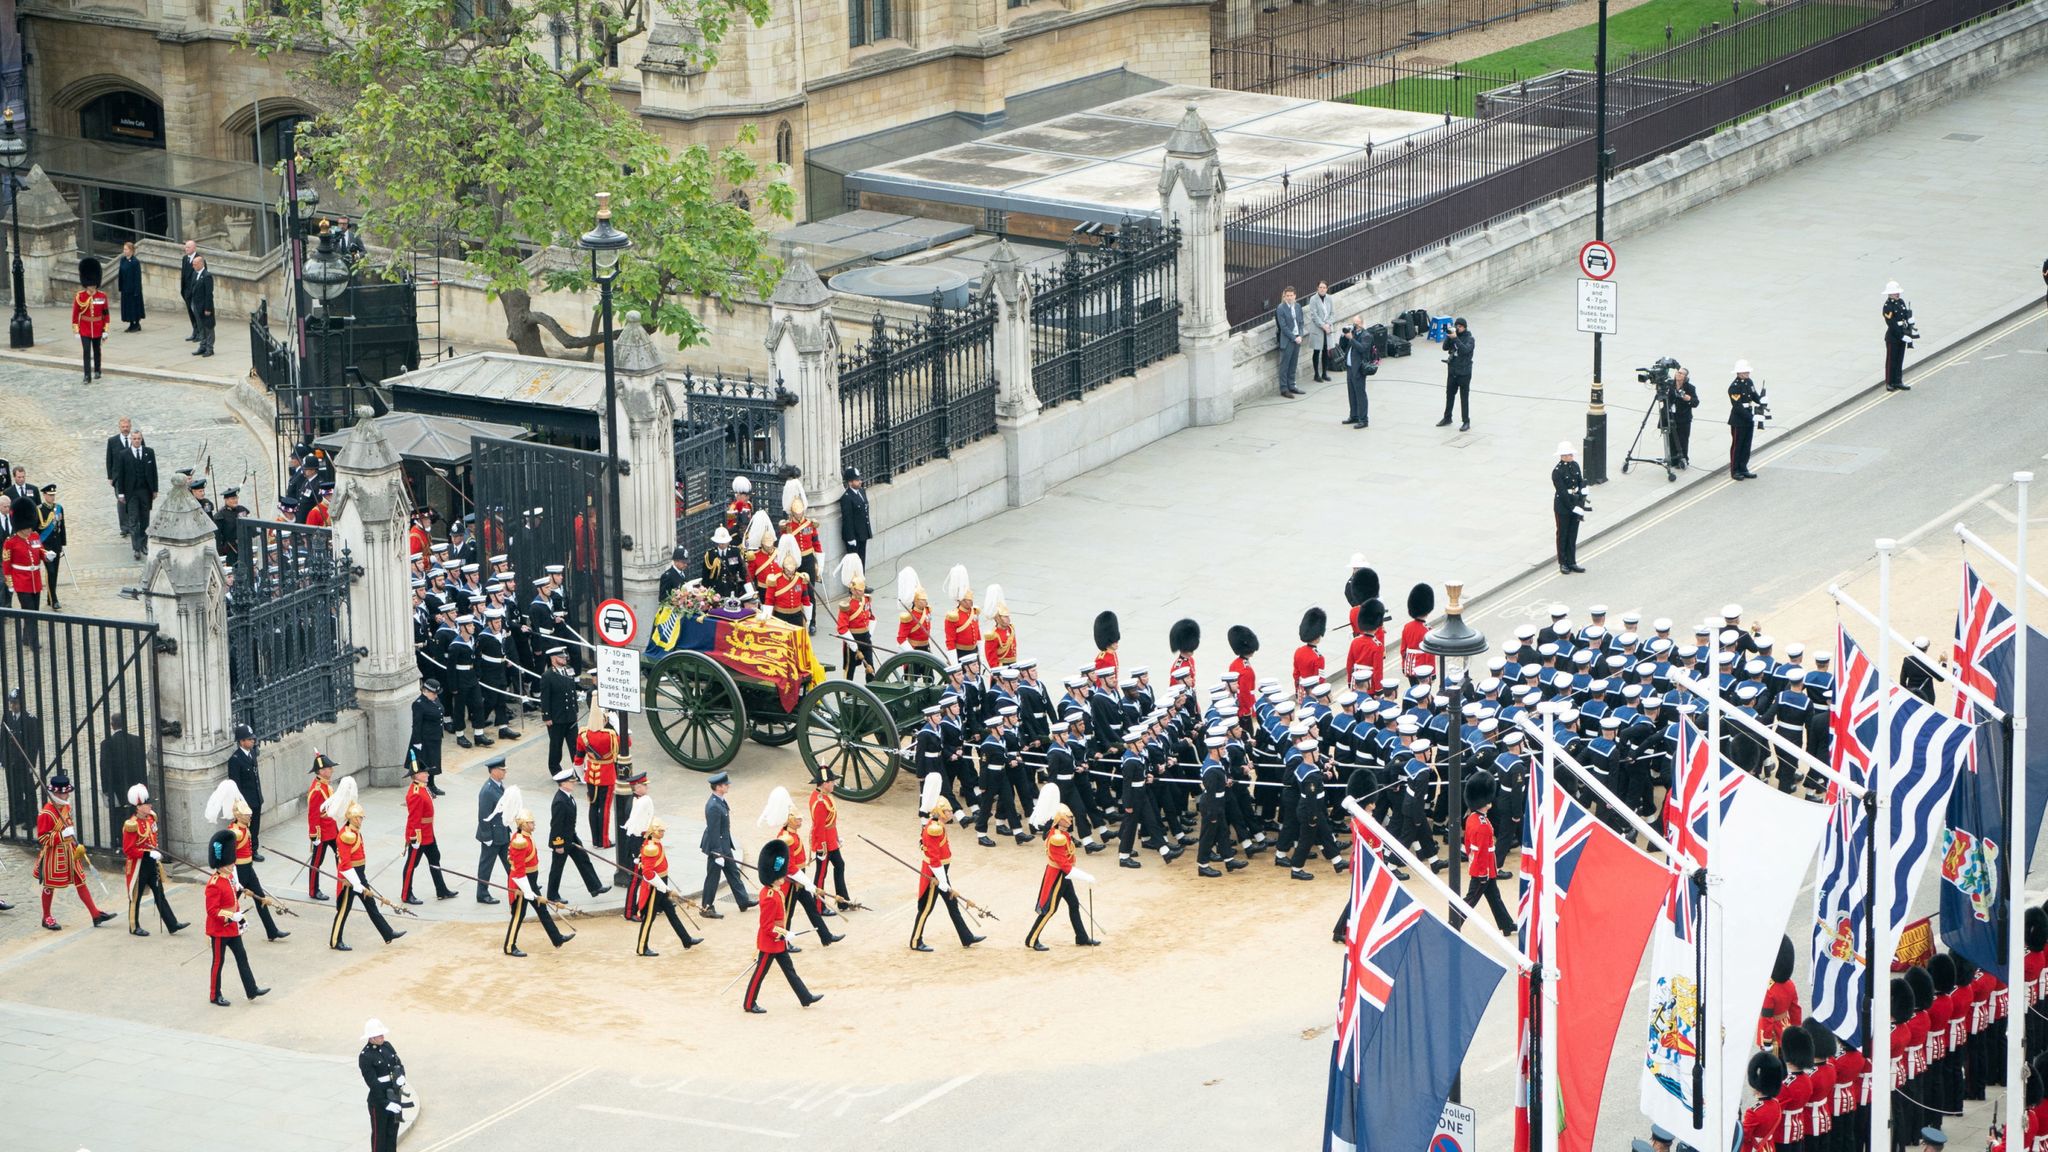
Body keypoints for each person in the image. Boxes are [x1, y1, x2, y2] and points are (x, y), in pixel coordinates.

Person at [743, 838, 822, 1013]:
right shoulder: (770, 896)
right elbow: (766, 926)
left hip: (777, 942)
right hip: (770, 943)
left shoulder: (774, 891)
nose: (783, 878)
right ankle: (749, 1003)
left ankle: (805, 997)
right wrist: (783, 934)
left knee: (790, 971)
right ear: (773, 877)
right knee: (759, 975)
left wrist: (783, 935)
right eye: (780, 876)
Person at [326, 778, 404, 951]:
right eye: (358, 818)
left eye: (361, 818)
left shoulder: (354, 832)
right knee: (344, 910)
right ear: (351, 818)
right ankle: (334, 941)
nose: (361, 820)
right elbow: (345, 865)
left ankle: (387, 933)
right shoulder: (347, 835)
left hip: (359, 875)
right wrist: (359, 885)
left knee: (371, 905)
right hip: (349, 878)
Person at [205, 779, 287, 941]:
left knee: (260, 897)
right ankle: (222, 930)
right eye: (247, 816)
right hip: (237, 871)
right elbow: (229, 854)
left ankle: (272, 930)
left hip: (248, 868)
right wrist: (233, 877)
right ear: (239, 816)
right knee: (230, 902)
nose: (250, 818)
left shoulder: (243, 827)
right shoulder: (235, 833)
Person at [35, 770, 113, 930]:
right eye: (65, 794)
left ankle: (95, 914)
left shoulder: (65, 808)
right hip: (54, 854)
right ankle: (46, 916)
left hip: (69, 851)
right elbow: (42, 839)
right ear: (56, 793)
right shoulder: (46, 813)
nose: (67, 796)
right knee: (49, 886)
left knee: (80, 880)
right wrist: (62, 835)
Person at [499, 787, 573, 956]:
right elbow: (518, 872)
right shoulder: (520, 841)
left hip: (530, 880)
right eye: (531, 822)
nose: (534, 824)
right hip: (521, 883)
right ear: (523, 824)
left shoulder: (526, 836)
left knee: (542, 909)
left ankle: (556, 938)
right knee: (519, 915)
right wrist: (529, 892)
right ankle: (509, 946)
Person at [910, 791, 983, 951]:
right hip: (933, 875)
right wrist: (941, 881)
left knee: (953, 904)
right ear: (941, 812)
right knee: (926, 909)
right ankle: (915, 941)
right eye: (949, 811)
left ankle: (966, 937)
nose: (951, 813)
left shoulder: (937, 825)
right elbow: (934, 859)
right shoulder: (934, 829)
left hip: (940, 873)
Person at [203, 829, 268, 1006]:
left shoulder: (230, 877)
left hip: (231, 928)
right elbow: (212, 911)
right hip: (219, 930)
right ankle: (214, 995)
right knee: (218, 962)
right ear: (220, 863)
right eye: (229, 862)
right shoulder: (213, 885)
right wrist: (232, 916)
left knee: (242, 957)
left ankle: (251, 989)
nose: (233, 864)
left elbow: (234, 895)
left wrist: (240, 919)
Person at [1026, 800, 1099, 949]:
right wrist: (1086, 877)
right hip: (1058, 876)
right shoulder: (1056, 838)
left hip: (1063, 876)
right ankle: (1032, 940)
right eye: (1068, 817)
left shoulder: (1062, 834)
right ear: (1061, 818)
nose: (1071, 819)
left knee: (1074, 904)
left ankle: (1081, 937)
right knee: (1050, 909)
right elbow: (1065, 866)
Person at [121, 784, 186, 937]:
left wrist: (155, 853)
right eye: (146, 803)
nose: (150, 805)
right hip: (139, 865)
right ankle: (133, 926)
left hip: (151, 863)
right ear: (138, 807)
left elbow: (153, 839)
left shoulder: (151, 818)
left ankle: (172, 924)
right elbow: (128, 850)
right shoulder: (131, 825)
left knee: (159, 894)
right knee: (135, 897)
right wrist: (147, 854)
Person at [1452, 778, 1515, 934]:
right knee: (1471, 900)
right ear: (1485, 801)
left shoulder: (1473, 818)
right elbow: (1480, 852)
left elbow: (1468, 846)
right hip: (1483, 871)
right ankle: (1453, 923)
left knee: (1495, 898)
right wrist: (1483, 874)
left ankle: (1507, 925)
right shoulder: (1482, 825)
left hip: (1487, 869)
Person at [632, 816, 701, 956]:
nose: (663, 833)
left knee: (671, 912)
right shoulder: (651, 847)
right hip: (654, 888)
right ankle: (641, 948)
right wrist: (666, 888)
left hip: (660, 885)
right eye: (661, 831)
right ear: (654, 831)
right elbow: (648, 873)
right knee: (649, 919)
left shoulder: (654, 843)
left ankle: (686, 940)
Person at [545, 765, 610, 902]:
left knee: (583, 860)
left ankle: (595, 887)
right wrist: (558, 844)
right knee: (557, 868)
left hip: (571, 837)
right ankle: (552, 895)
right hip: (561, 841)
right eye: (571, 781)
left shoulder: (567, 797)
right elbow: (556, 825)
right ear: (563, 783)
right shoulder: (560, 801)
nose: (574, 782)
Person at [700, 771, 753, 916]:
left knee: (733, 873)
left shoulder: (719, 801)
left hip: (723, 845)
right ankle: (706, 907)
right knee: (713, 877)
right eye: (725, 784)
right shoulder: (713, 806)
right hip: (716, 847)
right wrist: (717, 853)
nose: (728, 786)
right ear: (718, 787)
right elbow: (713, 831)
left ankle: (743, 900)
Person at [359, 1019, 409, 1152]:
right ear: (371, 1037)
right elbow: (373, 1083)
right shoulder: (365, 1056)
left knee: (392, 1135)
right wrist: (385, 1102)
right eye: (379, 1035)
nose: (383, 1036)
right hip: (379, 1102)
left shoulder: (387, 1046)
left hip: (394, 1096)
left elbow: (398, 1064)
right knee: (379, 1138)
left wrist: (402, 1076)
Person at [574, 707, 621, 848]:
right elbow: (627, 742)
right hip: (606, 775)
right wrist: (618, 724)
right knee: (604, 808)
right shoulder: (610, 735)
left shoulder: (583, 734)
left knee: (593, 807)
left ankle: (595, 841)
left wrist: (582, 775)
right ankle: (604, 841)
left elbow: (578, 758)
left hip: (590, 775)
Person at [115, 429, 158, 561]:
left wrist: (155, 490)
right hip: (131, 492)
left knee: (145, 519)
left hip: (145, 491)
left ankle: (144, 544)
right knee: (133, 520)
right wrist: (121, 493)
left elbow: (154, 472)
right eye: (134, 439)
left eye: (139, 438)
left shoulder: (149, 452)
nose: (137, 441)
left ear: (141, 439)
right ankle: (136, 548)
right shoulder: (124, 454)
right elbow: (120, 475)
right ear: (131, 440)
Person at [474, 757, 510, 904]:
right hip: (492, 835)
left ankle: (521, 884)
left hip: (502, 832)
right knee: (486, 865)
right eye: (502, 770)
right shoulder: (488, 790)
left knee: (511, 862)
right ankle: (482, 893)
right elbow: (483, 815)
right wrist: (487, 836)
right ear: (494, 771)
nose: (504, 772)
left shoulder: (499, 785)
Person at [5, 498, 47, 622]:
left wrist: (47, 555)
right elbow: (7, 566)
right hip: (21, 583)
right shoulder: (10, 542)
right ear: (20, 526)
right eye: (27, 527)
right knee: (29, 615)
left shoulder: (35, 536)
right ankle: (33, 641)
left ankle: (26, 639)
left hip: (36, 582)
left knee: (35, 612)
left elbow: (40, 550)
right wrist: (10, 584)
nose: (29, 529)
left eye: (30, 526)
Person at [834, 554, 876, 680]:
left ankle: (871, 691)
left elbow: (871, 618)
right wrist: (852, 644)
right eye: (858, 590)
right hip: (852, 638)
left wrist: (870, 634)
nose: (861, 592)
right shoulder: (847, 605)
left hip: (865, 637)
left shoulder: (866, 600)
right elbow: (842, 628)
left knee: (871, 668)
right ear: (852, 590)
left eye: (862, 589)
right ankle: (848, 695)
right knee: (850, 669)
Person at [1552, 442, 1590, 574]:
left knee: (1573, 534)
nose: (1572, 456)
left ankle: (1572, 561)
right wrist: (1573, 507)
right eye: (1569, 454)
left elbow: (1579, 479)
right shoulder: (1557, 472)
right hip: (1563, 507)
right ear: (1563, 456)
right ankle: (1563, 562)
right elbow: (1562, 493)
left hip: (1575, 502)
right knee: (1563, 535)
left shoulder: (1575, 465)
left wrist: (1584, 488)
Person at [540, 646, 579, 775]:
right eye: (561, 657)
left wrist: (575, 709)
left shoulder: (569, 671)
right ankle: (555, 769)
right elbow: (545, 698)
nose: (564, 659)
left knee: (575, 745)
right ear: (553, 659)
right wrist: (546, 716)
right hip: (557, 717)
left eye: (564, 656)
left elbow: (572, 691)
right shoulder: (548, 676)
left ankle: (578, 769)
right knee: (556, 745)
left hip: (570, 716)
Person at [306, 753, 340, 899]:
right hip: (322, 833)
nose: (331, 770)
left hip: (332, 829)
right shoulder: (317, 790)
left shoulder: (326, 786)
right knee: (316, 863)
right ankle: (314, 890)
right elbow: (313, 815)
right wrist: (315, 835)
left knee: (342, 856)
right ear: (321, 771)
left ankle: (344, 883)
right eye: (328, 768)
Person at [72, 257, 109, 383]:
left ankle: (97, 370)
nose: (92, 287)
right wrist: (76, 331)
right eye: (90, 285)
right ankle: (87, 375)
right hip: (85, 328)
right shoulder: (80, 296)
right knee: (86, 352)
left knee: (97, 351)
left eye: (93, 285)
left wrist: (105, 330)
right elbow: (75, 315)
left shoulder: (102, 296)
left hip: (98, 328)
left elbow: (105, 314)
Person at [1438, 317, 1475, 430]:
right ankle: (1447, 417)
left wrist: (1455, 339)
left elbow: (1464, 350)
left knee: (1464, 397)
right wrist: (1449, 337)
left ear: (1464, 327)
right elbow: (1444, 348)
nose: (1457, 329)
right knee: (1449, 395)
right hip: (1453, 371)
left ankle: (1466, 421)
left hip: (1464, 372)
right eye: (1456, 326)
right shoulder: (1454, 336)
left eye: (1459, 327)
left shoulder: (1470, 339)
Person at [1338, 316, 1375, 428]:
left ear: (1362, 323)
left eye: (1356, 324)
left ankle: (1364, 420)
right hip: (1350, 368)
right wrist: (1344, 336)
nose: (1354, 326)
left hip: (1358, 369)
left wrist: (1351, 338)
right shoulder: (1353, 333)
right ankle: (1353, 416)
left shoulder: (1366, 335)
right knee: (1352, 393)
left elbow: (1362, 349)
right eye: (1353, 323)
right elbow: (1343, 346)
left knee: (1360, 394)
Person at [1728, 360, 1762, 480]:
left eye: (1748, 371)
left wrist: (1761, 400)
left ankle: (1743, 467)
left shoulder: (1749, 382)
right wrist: (1751, 417)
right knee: (1737, 445)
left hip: (1748, 416)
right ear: (1739, 373)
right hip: (1738, 420)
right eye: (1745, 371)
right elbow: (1737, 407)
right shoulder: (1734, 387)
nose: (1748, 373)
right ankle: (1735, 470)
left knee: (1747, 445)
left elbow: (1753, 395)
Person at [37, 484, 66, 611]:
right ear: (44, 495)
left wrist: (63, 543)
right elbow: (36, 529)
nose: (52, 497)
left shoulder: (59, 508)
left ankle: (50, 596)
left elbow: (62, 527)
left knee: (55, 572)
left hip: (56, 545)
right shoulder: (39, 510)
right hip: (45, 545)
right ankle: (54, 599)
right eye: (50, 495)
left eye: (53, 495)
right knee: (51, 571)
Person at [1273, 286, 1305, 398]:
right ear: (1284, 296)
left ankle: (1292, 385)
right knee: (1284, 365)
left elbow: (1301, 322)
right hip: (1288, 340)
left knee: (1293, 363)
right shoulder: (1280, 308)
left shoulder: (1297, 306)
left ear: (1295, 296)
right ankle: (1284, 389)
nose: (1290, 297)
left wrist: (1300, 335)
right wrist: (1294, 337)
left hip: (1297, 339)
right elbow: (1283, 327)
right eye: (1287, 296)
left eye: (1291, 295)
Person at [106, 416, 134, 538]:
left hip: (134, 477)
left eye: (127, 427)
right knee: (121, 501)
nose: (125, 429)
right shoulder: (112, 441)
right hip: (118, 477)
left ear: (130, 427)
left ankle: (133, 524)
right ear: (119, 427)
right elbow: (109, 459)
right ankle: (124, 527)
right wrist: (110, 477)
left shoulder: (136, 439)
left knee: (133, 501)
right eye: (123, 427)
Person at [1882, 281, 1912, 392]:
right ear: (1889, 294)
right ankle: (1890, 382)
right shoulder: (1887, 307)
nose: (1897, 294)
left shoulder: (1901, 302)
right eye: (1895, 293)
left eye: (1898, 292)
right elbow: (1892, 324)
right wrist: (1901, 336)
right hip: (1893, 337)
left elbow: (1904, 316)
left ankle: (1898, 381)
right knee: (1891, 361)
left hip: (1902, 334)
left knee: (1899, 359)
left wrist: (1910, 321)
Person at [1669, 367, 1700, 468]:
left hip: (1684, 418)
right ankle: (1673, 460)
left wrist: (1689, 399)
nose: (1679, 374)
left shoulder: (1690, 388)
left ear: (1685, 377)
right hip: (1671, 417)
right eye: (1678, 372)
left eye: (1682, 373)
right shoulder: (1670, 385)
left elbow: (1696, 403)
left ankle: (1683, 459)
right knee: (1672, 439)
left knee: (1683, 439)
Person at [1305, 281, 1336, 383]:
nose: (1322, 289)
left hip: (1327, 328)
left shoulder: (1329, 298)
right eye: (1320, 287)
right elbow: (1314, 315)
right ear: (1317, 288)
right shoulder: (1313, 299)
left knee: (1326, 351)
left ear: (1327, 289)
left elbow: (1332, 313)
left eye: (1324, 287)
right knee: (1317, 351)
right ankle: (1316, 374)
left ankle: (1324, 373)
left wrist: (1328, 324)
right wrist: (1322, 325)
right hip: (1318, 329)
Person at [840, 465, 871, 564]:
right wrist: (850, 538)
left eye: (859, 479)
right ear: (850, 483)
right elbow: (847, 519)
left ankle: (862, 579)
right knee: (855, 563)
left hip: (862, 533)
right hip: (854, 536)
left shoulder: (861, 491)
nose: (860, 482)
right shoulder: (847, 498)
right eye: (857, 480)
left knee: (862, 560)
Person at [189, 254, 216, 357]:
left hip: (205, 307)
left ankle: (210, 348)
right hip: (196, 305)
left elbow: (209, 294)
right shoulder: (195, 274)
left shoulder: (207, 276)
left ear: (201, 263)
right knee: (201, 327)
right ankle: (202, 346)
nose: (193, 266)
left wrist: (208, 308)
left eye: (195, 264)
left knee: (208, 327)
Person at [115, 241, 145, 332]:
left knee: (134, 307)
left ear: (131, 250)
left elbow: (137, 277)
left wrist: (137, 290)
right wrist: (121, 287)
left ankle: (136, 324)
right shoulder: (123, 260)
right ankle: (131, 324)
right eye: (124, 249)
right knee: (127, 307)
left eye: (126, 249)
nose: (124, 251)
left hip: (133, 289)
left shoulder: (135, 262)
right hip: (125, 288)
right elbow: (120, 274)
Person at [1900, 637, 1938, 703]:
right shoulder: (1929, 663)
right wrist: (1943, 663)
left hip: (1911, 694)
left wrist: (1906, 693)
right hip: (1927, 696)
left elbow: (1902, 681)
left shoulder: (1907, 660)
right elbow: (1941, 678)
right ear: (1926, 649)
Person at [179, 239, 201, 341]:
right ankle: (195, 331)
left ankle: (201, 333)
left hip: (195, 292)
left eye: (188, 247)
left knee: (197, 312)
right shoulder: (184, 259)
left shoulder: (199, 259)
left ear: (194, 248)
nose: (186, 249)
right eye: (185, 247)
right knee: (190, 313)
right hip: (187, 291)